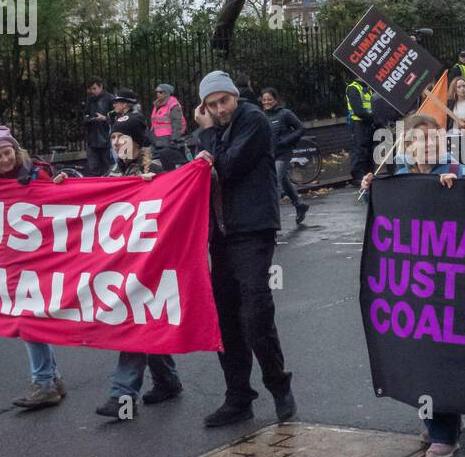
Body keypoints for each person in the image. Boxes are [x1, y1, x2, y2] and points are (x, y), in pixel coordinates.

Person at [360, 114, 465, 457]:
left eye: (433, 139)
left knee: (441, 354)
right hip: (412, 283)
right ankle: (438, 417)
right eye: (417, 140)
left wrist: (461, 193)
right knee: (418, 352)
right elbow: (383, 221)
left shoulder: (461, 172)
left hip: (451, 283)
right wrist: (371, 192)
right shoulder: (395, 178)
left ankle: (445, 430)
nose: (426, 146)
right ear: (405, 146)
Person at [193, 71, 296, 427]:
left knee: (255, 313)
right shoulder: (215, 131)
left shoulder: (253, 119)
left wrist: (207, 131)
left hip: (253, 229)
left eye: (224, 100)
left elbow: (226, 166)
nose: (220, 108)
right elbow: (200, 172)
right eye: (212, 104)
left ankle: (278, 385)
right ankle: (238, 397)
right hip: (222, 234)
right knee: (225, 318)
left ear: (235, 97)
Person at [91, 112, 185, 418]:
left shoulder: (158, 164)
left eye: (122, 137)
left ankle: (122, 395)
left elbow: (178, 196)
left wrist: (155, 183)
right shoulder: (114, 172)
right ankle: (167, 380)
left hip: (155, 258)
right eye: (113, 138)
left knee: (136, 322)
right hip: (126, 260)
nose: (116, 143)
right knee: (147, 321)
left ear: (136, 139)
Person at [0, 124, 70, 410]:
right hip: (16, 261)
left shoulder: (38, 173)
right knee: (32, 318)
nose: (5, 160)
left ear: (16, 151)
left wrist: (58, 185)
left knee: (28, 319)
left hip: (42, 259)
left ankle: (44, 382)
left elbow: (60, 203)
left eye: (8, 153)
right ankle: (51, 379)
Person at [261, 87, 309, 225]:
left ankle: (272, 220)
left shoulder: (285, 114)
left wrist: (286, 140)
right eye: (264, 100)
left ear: (276, 100)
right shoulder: (261, 115)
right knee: (283, 181)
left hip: (283, 153)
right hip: (269, 153)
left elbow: (301, 129)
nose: (267, 102)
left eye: (269, 99)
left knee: (275, 181)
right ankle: (299, 205)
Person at [148, 83, 188, 172]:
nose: (158, 94)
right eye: (157, 92)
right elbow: (154, 123)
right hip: (157, 139)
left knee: (165, 159)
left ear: (167, 93)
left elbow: (178, 124)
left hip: (168, 139)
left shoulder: (173, 105)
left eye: (161, 92)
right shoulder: (157, 105)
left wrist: (175, 139)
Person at [345, 76, 375, 184]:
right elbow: (359, 111)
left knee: (368, 151)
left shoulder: (368, 89)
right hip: (358, 124)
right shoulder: (353, 88)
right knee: (359, 150)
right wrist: (374, 116)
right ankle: (358, 177)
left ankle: (368, 175)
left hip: (368, 124)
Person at [83, 77, 115, 176]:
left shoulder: (110, 99)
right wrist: (88, 119)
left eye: (94, 88)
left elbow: (117, 118)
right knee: (93, 169)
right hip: (92, 140)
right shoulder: (90, 100)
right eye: (90, 89)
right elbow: (85, 115)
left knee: (108, 169)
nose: (92, 91)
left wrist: (105, 118)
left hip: (106, 140)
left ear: (101, 86)